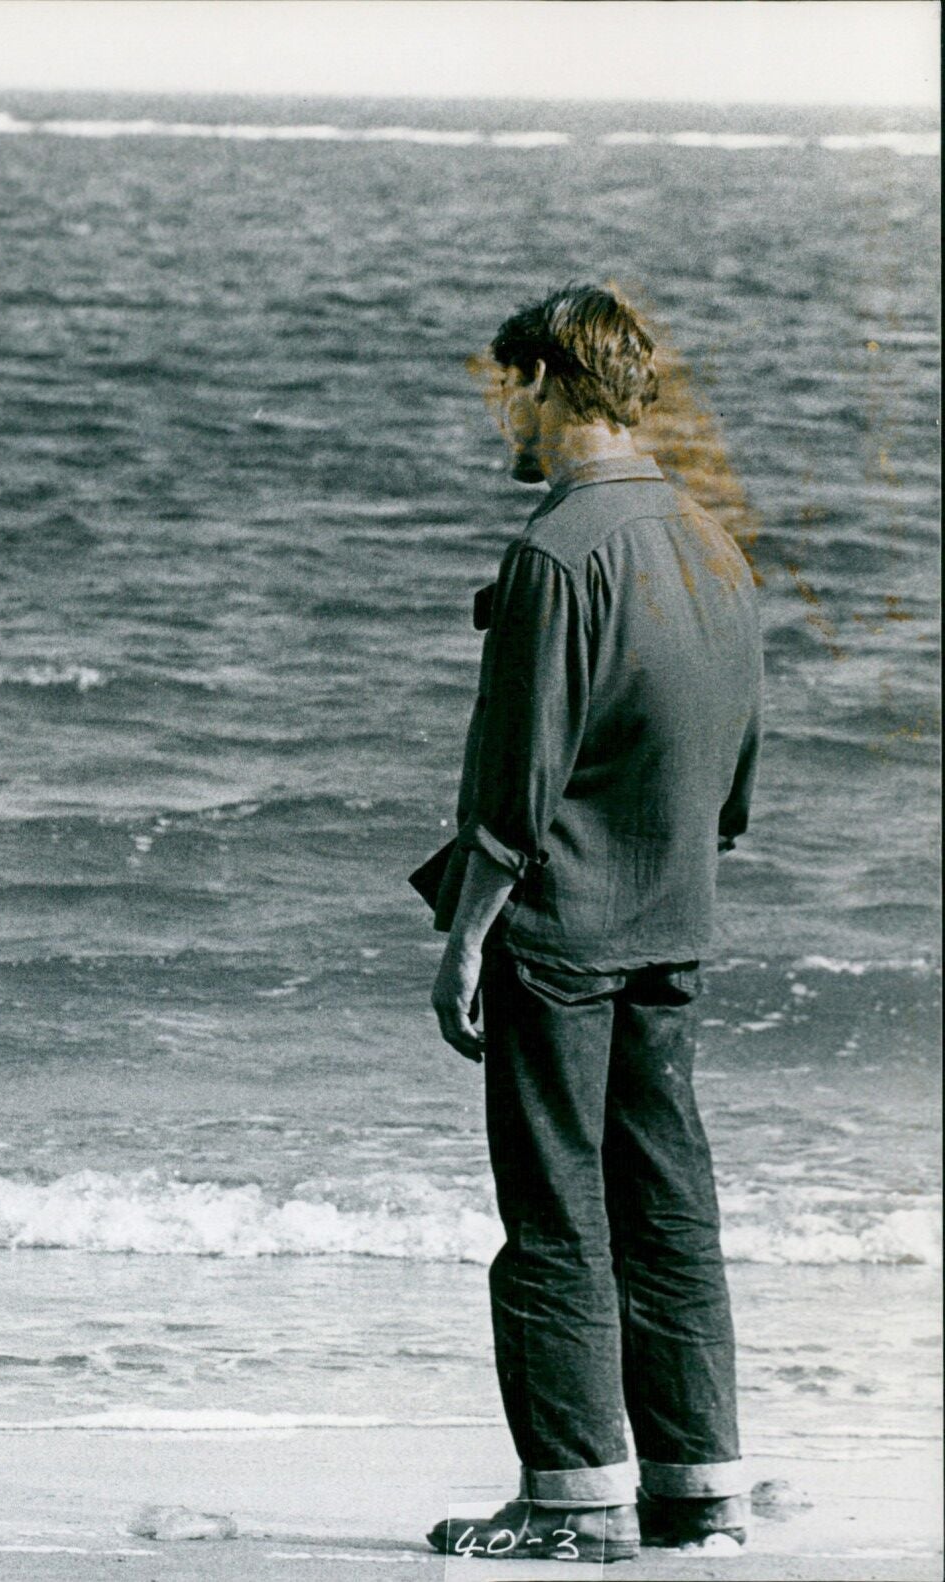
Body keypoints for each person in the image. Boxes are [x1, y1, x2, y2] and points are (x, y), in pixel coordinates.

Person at [420, 285, 761, 1561]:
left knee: (555, 1215)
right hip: (672, 911)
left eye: (504, 390)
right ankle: (698, 1487)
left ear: (553, 387)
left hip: (561, 929)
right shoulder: (710, 538)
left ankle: (571, 1498)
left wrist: (464, 933)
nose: (497, 418)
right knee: (668, 1210)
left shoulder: (556, 553)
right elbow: (736, 769)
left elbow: (515, 777)